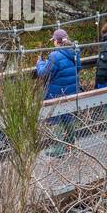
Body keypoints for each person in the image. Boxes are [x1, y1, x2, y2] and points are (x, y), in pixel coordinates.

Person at [35, 27, 80, 157]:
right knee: (68, 116)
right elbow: (79, 68)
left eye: (53, 40)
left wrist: (39, 63)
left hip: (56, 92)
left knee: (55, 119)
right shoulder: (75, 51)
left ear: (56, 41)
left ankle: (59, 148)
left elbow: (43, 73)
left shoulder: (54, 56)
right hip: (71, 90)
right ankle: (72, 144)